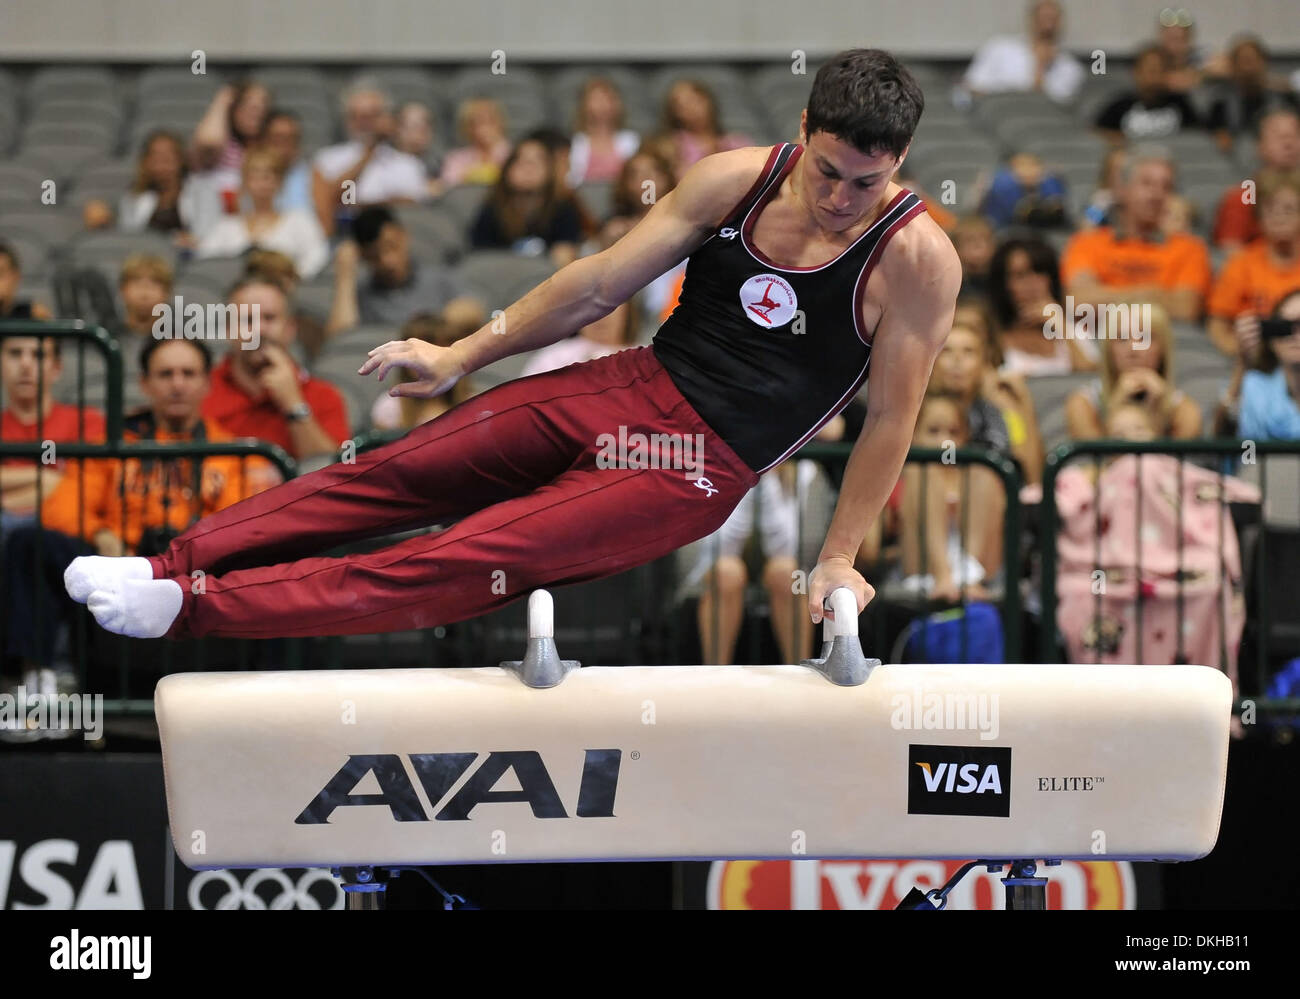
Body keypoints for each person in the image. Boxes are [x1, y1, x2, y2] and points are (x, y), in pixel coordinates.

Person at [64, 48, 960, 650]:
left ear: (903, 159)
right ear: (805, 127)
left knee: (462, 553)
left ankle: (195, 607)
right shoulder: (738, 178)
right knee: (393, 472)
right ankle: (165, 564)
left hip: (697, 466)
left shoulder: (916, 260)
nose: (841, 198)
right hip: (627, 382)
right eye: (827, 171)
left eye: (866, 183)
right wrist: (464, 354)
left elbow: (889, 420)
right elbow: (601, 281)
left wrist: (838, 555)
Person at [5, 337, 274, 673]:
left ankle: (273, 691)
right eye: (165, 374)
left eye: (188, 374)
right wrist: (101, 534)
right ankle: (34, 684)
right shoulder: (115, 442)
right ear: (145, 383)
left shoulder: (233, 451)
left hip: (197, 573)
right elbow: (60, 507)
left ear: (206, 384)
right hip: (121, 564)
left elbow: (241, 527)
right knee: (30, 543)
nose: (177, 385)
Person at [199, 277, 349, 464]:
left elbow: (333, 474)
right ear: (229, 329)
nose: (259, 329)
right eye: (247, 320)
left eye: (269, 318)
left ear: (290, 329)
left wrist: (294, 405)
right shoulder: (198, 390)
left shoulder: (325, 396)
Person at [1062, 145, 1211, 323]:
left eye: (1166, 186)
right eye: (1147, 183)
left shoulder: (1190, 248)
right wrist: (1153, 295)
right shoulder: (1086, 242)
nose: (1158, 194)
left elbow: (1185, 308)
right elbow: (1079, 303)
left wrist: (1105, 294)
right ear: (1122, 189)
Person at [894, 392, 1005, 603]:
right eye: (933, 431)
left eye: (953, 432)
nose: (944, 441)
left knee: (985, 474)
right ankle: (945, 575)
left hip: (979, 575)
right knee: (922, 473)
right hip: (922, 570)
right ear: (914, 433)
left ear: (965, 438)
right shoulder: (907, 476)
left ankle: (967, 574)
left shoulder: (976, 477)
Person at [1, 335, 107, 532]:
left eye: (38, 355)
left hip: (66, 532)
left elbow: (87, 491)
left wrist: (6, 500)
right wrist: (46, 478)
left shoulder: (88, 421)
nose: (25, 364)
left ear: (56, 368)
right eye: (15, 354)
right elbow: (64, 484)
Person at [327, 205, 484, 336]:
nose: (387, 261)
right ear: (362, 256)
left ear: (404, 236)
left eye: (392, 247)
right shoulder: (360, 295)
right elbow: (341, 338)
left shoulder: (439, 278)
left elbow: (473, 310)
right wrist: (345, 276)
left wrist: (426, 328)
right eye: (374, 255)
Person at [1065, 303, 1201, 440]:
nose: (1133, 349)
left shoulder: (1184, 410)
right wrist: (1116, 406)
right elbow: (1096, 458)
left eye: (1144, 338)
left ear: (1163, 348)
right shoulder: (1083, 404)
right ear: (1108, 349)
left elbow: (1176, 460)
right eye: (1122, 338)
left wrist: (1157, 413)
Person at [312, 78, 428, 236]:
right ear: (346, 120)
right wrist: (369, 152)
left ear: (387, 118)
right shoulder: (328, 160)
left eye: (372, 116)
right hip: (344, 238)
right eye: (357, 116)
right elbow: (335, 201)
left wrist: (360, 207)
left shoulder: (407, 163)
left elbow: (413, 206)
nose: (365, 123)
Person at [196, 147, 330, 279]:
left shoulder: (300, 221)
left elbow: (317, 257)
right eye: (254, 177)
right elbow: (206, 260)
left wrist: (288, 278)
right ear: (245, 182)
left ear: (280, 181)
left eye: (267, 176)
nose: (261, 183)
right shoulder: (226, 226)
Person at [1207, 170, 1300, 357]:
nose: (1279, 217)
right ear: (1259, 217)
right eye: (1271, 209)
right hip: (1252, 360)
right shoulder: (1241, 263)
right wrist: (1243, 353)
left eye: (1288, 209)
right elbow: (1217, 324)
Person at [469, 136, 586, 266]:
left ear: (550, 171)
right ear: (507, 170)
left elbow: (566, 256)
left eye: (537, 161)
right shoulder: (491, 210)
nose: (528, 168)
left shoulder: (563, 209)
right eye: (521, 161)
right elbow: (479, 258)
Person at [989, 237, 1095, 375]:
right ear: (1003, 284)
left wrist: (1062, 328)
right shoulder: (991, 338)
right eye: (1020, 275)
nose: (1033, 284)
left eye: (1040, 272)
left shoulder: (1076, 331)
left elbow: (1090, 379)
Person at [958, 0, 1085, 106]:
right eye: (1043, 18)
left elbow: (1046, 108)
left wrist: (1039, 67)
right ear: (1031, 19)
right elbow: (971, 87)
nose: (1047, 26)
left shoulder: (1070, 68)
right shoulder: (999, 47)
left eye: (1052, 19)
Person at [368, 314, 481, 431]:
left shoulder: (473, 404)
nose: (427, 362)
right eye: (418, 355)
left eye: (438, 350)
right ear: (401, 357)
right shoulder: (389, 407)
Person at [1212, 108, 1300, 252]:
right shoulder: (1244, 197)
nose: (1289, 143)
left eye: (1295, 135)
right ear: (1260, 146)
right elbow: (1230, 249)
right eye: (1279, 136)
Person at [1207, 36, 1300, 154]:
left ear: (1264, 62)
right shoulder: (1220, 100)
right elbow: (1214, 130)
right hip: (1236, 154)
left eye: (1253, 60)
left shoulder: (1283, 97)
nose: (1249, 68)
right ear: (1233, 66)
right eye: (1243, 61)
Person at [1094, 46, 1200, 144]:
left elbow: (1196, 136)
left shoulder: (1180, 104)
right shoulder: (1120, 106)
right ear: (1136, 72)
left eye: (1160, 70)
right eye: (1150, 70)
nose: (1154, 77)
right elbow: (1097, 133)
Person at [646, 79, 751, 178]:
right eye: (681, 106)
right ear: (674, 113)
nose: (691, 108)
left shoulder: (736, 143)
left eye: (695, 100)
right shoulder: (668, 146)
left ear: (709, 101)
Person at [1237, 289, 1300, 442]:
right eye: (1284, 327)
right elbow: (1248, 449)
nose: (1294, 335)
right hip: (1266, 466)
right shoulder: (1255, 387)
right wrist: (1251, 466)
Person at [190, 80, 272, 184]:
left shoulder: (267, 145)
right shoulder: (222, 143)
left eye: (261, 106)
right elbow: (208, 142)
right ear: (233, 109)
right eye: (249, 107)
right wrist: (222, 100)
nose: (256, 113)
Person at [568, 77, 642, 187]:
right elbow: (571, 180)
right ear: (584, 104)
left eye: (607, 98)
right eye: (595, 99)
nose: (602, 104)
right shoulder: (576, 142)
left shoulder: (631, 140)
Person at [439, 98, 511, 188]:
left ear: (500, 123)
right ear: (468, 128)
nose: (484, 127)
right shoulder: (455, 159)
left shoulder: (514, 155)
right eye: (477, 122)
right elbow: (448, 187)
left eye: (490, 121)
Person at [261, 109, 315, 215]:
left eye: (290, 138)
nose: (284, 145)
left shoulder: (313, 177)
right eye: (278, 138)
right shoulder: (249, 178)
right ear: (264, 139)